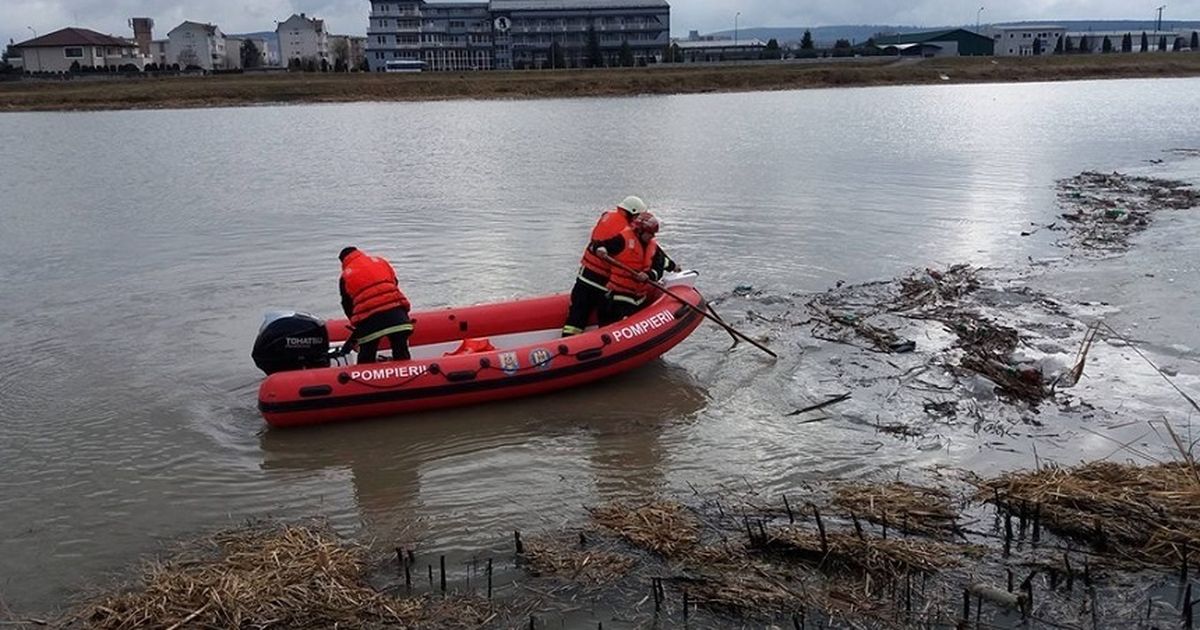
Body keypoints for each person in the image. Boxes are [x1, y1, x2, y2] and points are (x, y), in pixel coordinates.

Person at [562, 195, 647, 336]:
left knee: (576, 317)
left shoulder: (606, 217)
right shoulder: (626, 231)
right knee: (607, 320)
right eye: (637, 216)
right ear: (631, 213)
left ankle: (567, 340)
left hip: (585, 277)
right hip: (603, 282)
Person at [338, 246, 413, 364]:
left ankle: (364, 378)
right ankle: (407, 375)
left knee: (366, 357)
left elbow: (347, 304)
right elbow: (394, 284)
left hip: (370, 323)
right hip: (399, 317)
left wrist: (356, 326)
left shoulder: (345, 276)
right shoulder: (381, 261)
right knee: (401, 351)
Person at [604, 213, 679, 321]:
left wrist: (648, 275)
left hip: (640, 297)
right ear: (640, 231)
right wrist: (601, 249)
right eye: (650, 233)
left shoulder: (652, 246)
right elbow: (599, 245)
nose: (652, 236)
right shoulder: (622, 240)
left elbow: (659, 266)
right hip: (620, 295)